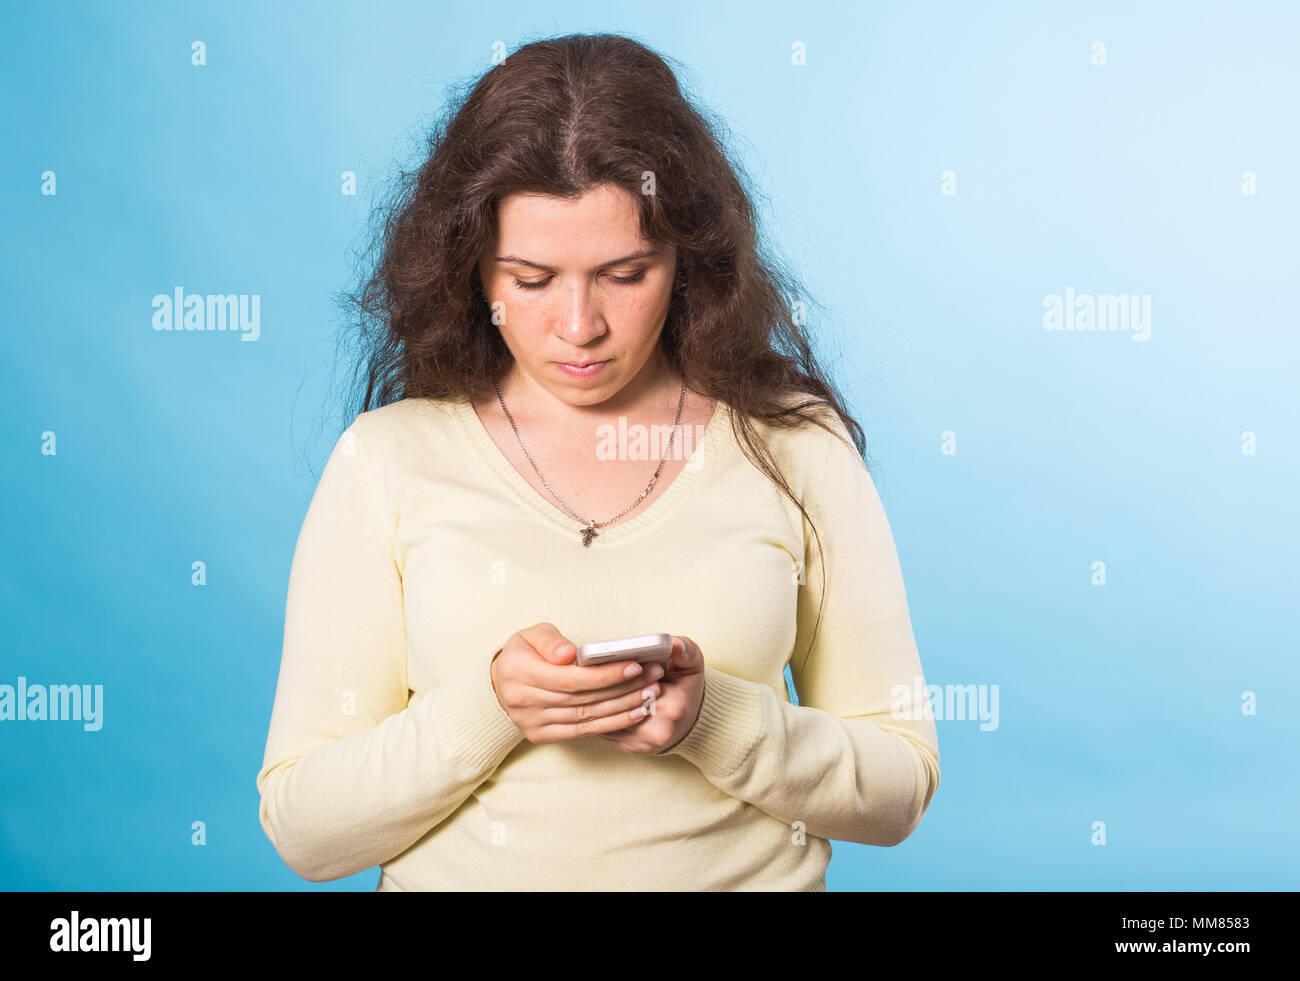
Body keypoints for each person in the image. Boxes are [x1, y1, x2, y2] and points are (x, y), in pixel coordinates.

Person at [256, 32, 940, 891]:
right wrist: (490, 708)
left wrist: (715, 720)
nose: (579, 325)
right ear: (470, 269)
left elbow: (901, 785)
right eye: (531, 279)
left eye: (625, 273)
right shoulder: (386, 460)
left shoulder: (795, 447)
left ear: (689, 261)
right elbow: (306, 834)